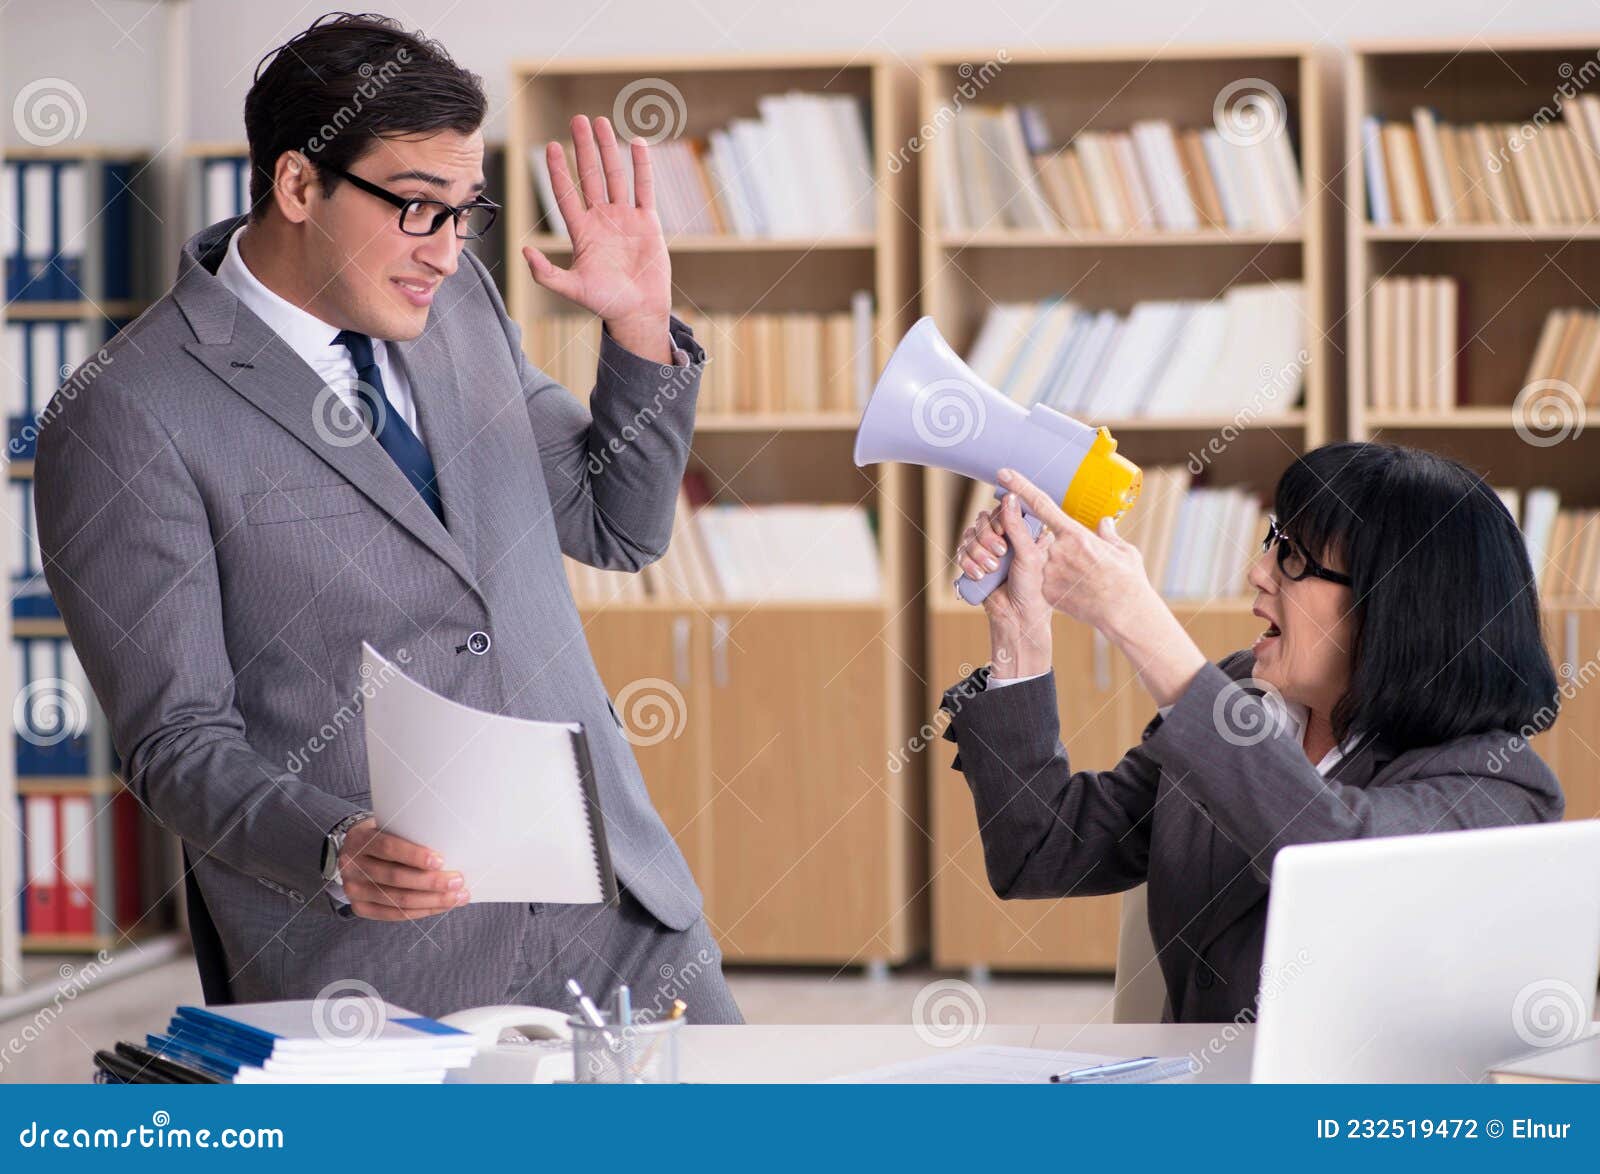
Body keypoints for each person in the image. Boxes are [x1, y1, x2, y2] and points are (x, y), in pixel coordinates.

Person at [34, 13, 740, 1022]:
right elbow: (177, 742)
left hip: (619, 913)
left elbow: (617, 527)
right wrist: (333, 845)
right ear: (297, 185)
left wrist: (635, 328)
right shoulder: (128, 413)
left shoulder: (459, 307)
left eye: (465, 212)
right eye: (416, 208)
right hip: (380, 966)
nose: (446, 252)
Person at [939, 441, 1564, 1023]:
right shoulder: (1245, 696)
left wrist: (1138, 622)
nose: (1258, 572)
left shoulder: (1499, 790)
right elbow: (1042, 853)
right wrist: (1020, 634)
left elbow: (1336, 859)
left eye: (1293, 557)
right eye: (1273, 541)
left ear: (1397, 603)